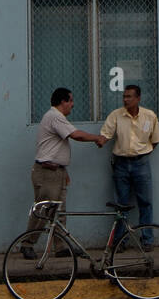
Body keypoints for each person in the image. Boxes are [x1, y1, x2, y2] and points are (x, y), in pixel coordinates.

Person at [22, 87, 106, 258]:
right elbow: (76, 135)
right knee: (43, 210)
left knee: (58, 212)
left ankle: (60, 247)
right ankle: (27, 244)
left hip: (56, 172)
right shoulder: (54, 117)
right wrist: (97, 138)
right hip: (47, 173)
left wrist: (63, 170)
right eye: (71, 101)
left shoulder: (56, 117)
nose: (72, 105)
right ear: (63, 102)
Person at [99, 84, 159, 244]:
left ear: (138, 98)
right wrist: (99, 140)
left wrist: (141, 153)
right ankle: (120, 242)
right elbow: (105, 134)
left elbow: (155, 141)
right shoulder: (116, 115)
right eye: (124, 97)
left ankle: (147, 240)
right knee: (121, 205)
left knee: (145, 202)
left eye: (129, 97)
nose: (126, 100)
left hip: (141, 163)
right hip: (121, 164)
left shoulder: (149, 116)